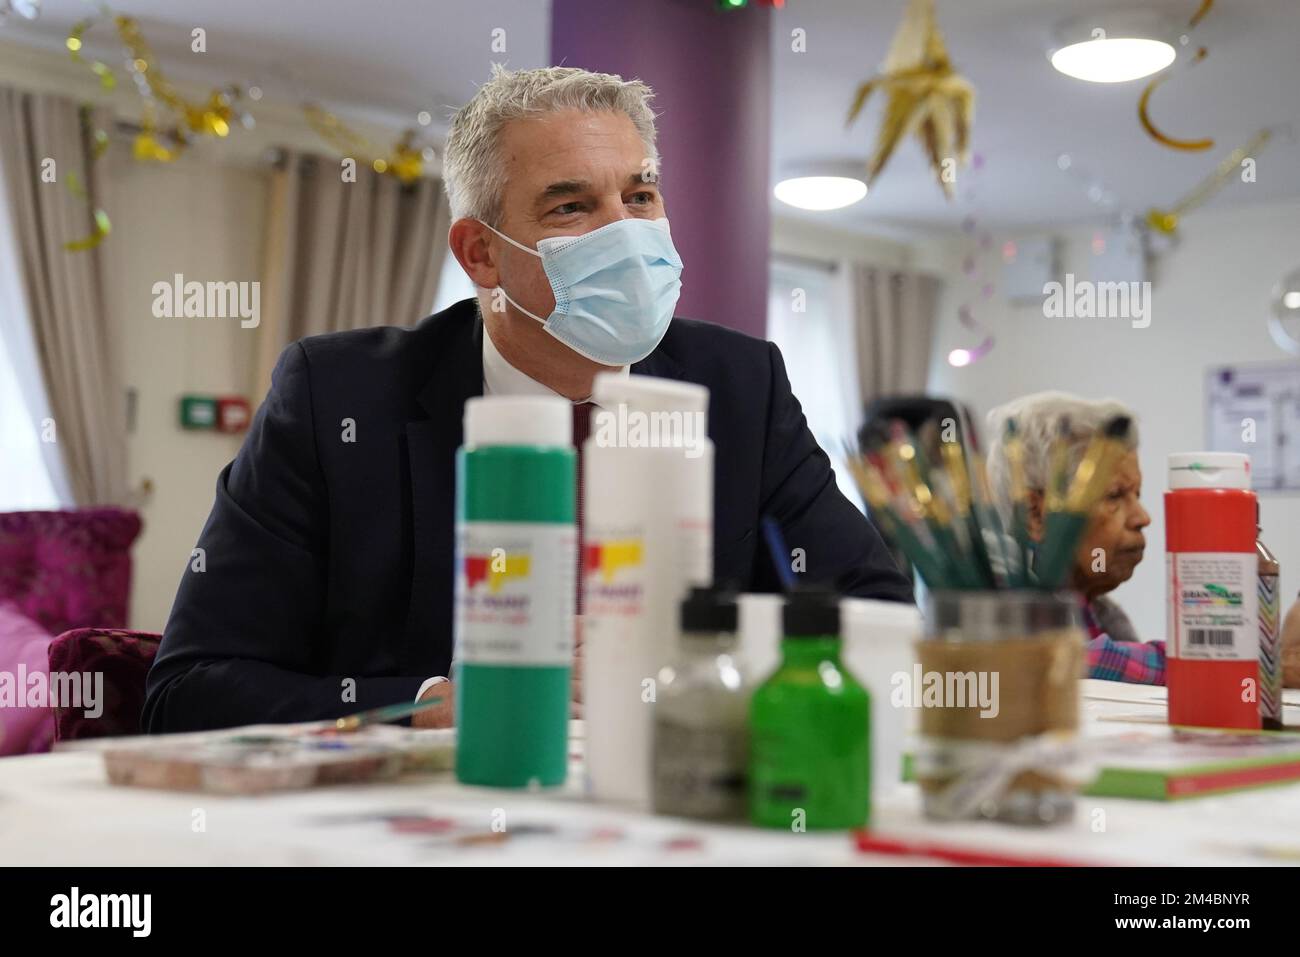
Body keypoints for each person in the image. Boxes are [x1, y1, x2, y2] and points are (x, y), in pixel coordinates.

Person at [142, 65, 911, 734]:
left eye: (640, 195)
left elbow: (877, 610)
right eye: (571, 207)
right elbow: (188, 690)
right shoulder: (338, 397)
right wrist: (426, 706)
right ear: (481, 253)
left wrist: (688, 660)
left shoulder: (740, 385)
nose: (626, 233)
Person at [985, 392, 1164, 683]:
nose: (1142, 517)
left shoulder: (1105, 616)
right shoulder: (1000, 605)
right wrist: (1199, 664)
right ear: (1035, 515)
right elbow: (1069, 659)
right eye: (1115, 495)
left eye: (1137, 494)